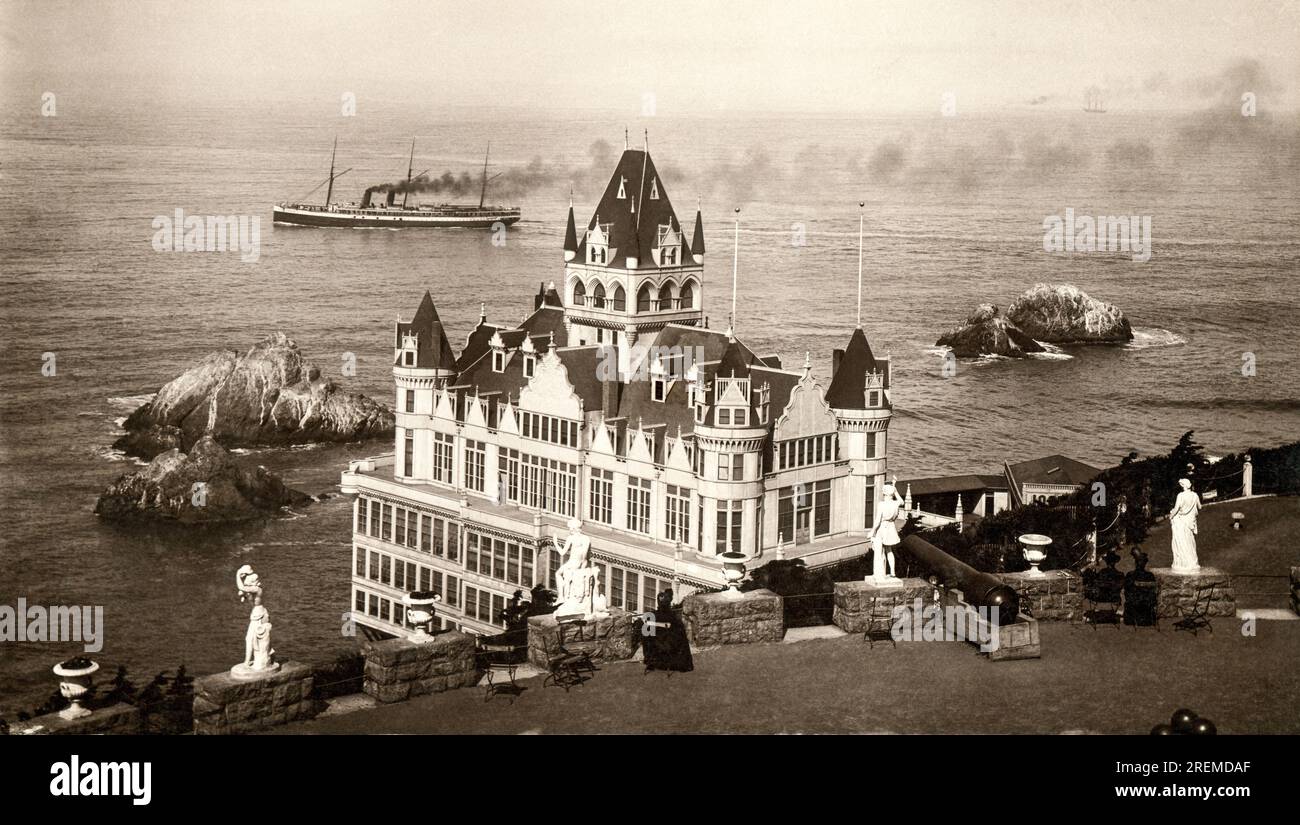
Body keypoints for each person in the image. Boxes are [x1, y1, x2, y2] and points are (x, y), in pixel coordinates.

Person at [641, 589, 693, 674]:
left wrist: (651, 624)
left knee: (647, 637)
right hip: (669, 643)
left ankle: (651, 661)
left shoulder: (654, 615)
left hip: (660, 643)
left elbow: (666, 625)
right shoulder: (673, 616)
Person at [1169, 478, 1202, 572]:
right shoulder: (1195, 495)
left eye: (1182, 485)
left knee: (1181, 543)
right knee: (1190, 542)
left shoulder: (1180, 495)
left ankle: (1183, 564)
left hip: (1181, 522)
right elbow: (1200, 507)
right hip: (1190, 522)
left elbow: (1176, 508)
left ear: (1184, 485)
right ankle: (1191, 563)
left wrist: (1171, 516)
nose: (1181, 486)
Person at [1123, 547, 1159, 626]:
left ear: (1135, 563)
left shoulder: (1130, 575)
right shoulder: (1150, 575)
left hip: (1135, 603)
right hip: (1148, 603)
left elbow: (1126, 591)